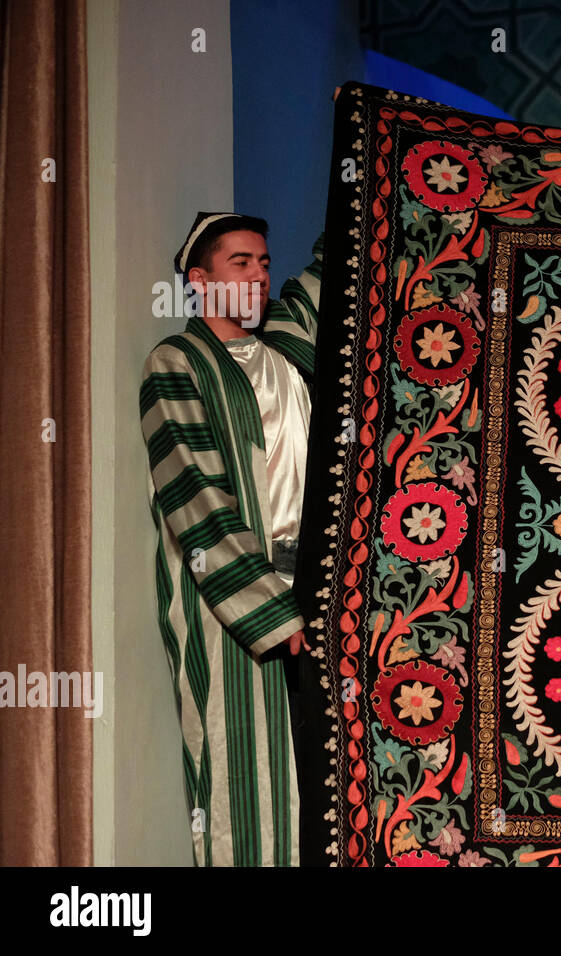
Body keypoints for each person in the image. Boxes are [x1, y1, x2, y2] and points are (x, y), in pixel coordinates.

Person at [139, 212, 322, 865]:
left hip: (315, 590)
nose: (260, 275)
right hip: (238, 605)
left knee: (321, 788)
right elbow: (193, 494)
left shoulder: (286, 347)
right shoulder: (178, 363)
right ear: (201, 279)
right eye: (241, 263)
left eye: (265, 263)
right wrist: (270, 609)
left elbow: (343, 267)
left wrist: (361, 122)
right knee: (247, 785)